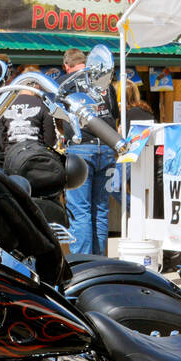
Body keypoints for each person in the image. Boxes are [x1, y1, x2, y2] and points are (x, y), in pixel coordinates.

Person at [64, 48, 119, 256]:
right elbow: (113, 116)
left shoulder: (66, 82)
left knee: (80, 210)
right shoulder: (104, 82)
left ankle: (82, 264)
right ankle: (99, 262)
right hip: (106, 148)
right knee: (101, 209)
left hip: (80, 150)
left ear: (66, 66)